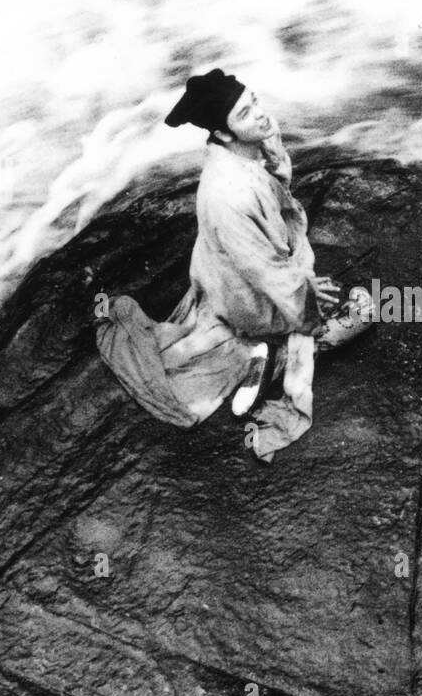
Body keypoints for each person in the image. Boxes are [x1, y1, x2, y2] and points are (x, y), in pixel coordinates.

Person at [95, 68, 368, 461]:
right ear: (222, 134)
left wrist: (267, 138)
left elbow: (275, 179)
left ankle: (257, 352)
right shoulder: (229, 196)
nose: (259, 114)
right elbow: (261, 269)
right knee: (355, 320)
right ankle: (269, 356)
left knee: (298, 302)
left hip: (226, 270)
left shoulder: (241, 145)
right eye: (245, 114)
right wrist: (304, 293)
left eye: (254, 101)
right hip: (244, 289)